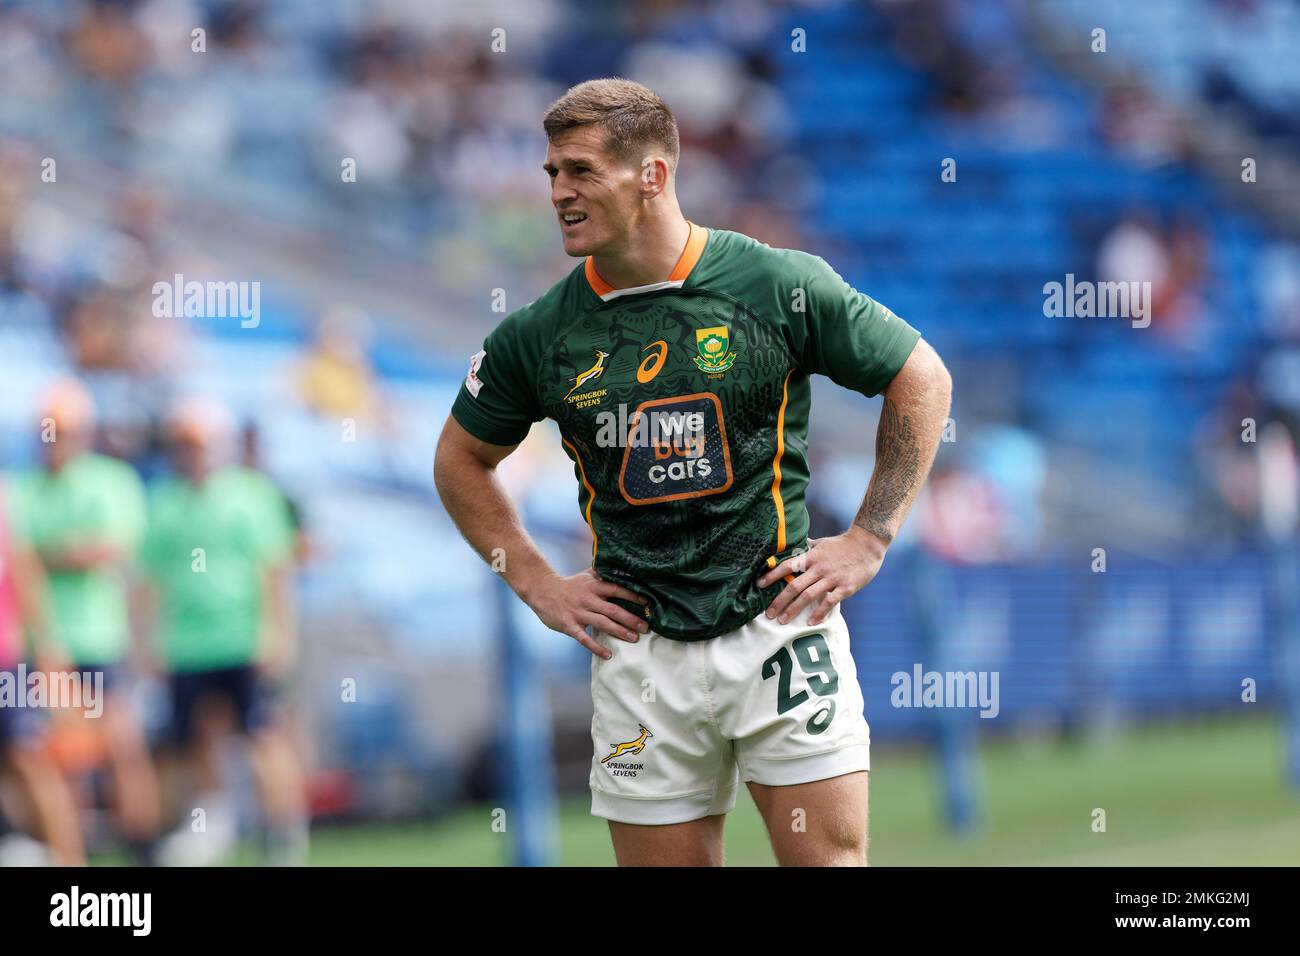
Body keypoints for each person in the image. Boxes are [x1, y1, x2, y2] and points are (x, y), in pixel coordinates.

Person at [434, 79, 951, 866]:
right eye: (551, 174)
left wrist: (872, 537)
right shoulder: (538, 336)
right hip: (639, 654)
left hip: (781, 630)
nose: (558, 192)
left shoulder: (778, 286)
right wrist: (538, 582)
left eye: (579, 170)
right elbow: (460, 460)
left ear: (653, 174)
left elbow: (921, 378)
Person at [139, 399, 307, 866]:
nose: (191, 454)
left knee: (262, 735)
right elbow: (149, 577)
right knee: (190, 741)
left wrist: (277, 633)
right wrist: (148, 642)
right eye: (184, 445)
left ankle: (284, 832)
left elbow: (275, 571)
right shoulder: (165, 500)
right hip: (185, 645)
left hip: (242, 637)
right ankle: (211, 822)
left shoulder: (251, 495)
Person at [11, 379, 160, 863]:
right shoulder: (21, 488)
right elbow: (21, 561)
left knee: (119, 745)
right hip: (37, 642)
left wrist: (43, 557)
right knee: (56, 756)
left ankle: (142, 846)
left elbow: (106, 549)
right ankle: (74, 852)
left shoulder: (109, 481)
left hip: (97, 636)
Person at [0, 472, 85, 866]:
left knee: (29, 759)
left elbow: (23, 570)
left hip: (5, 660)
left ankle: (70, 864)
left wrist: (49, 650)